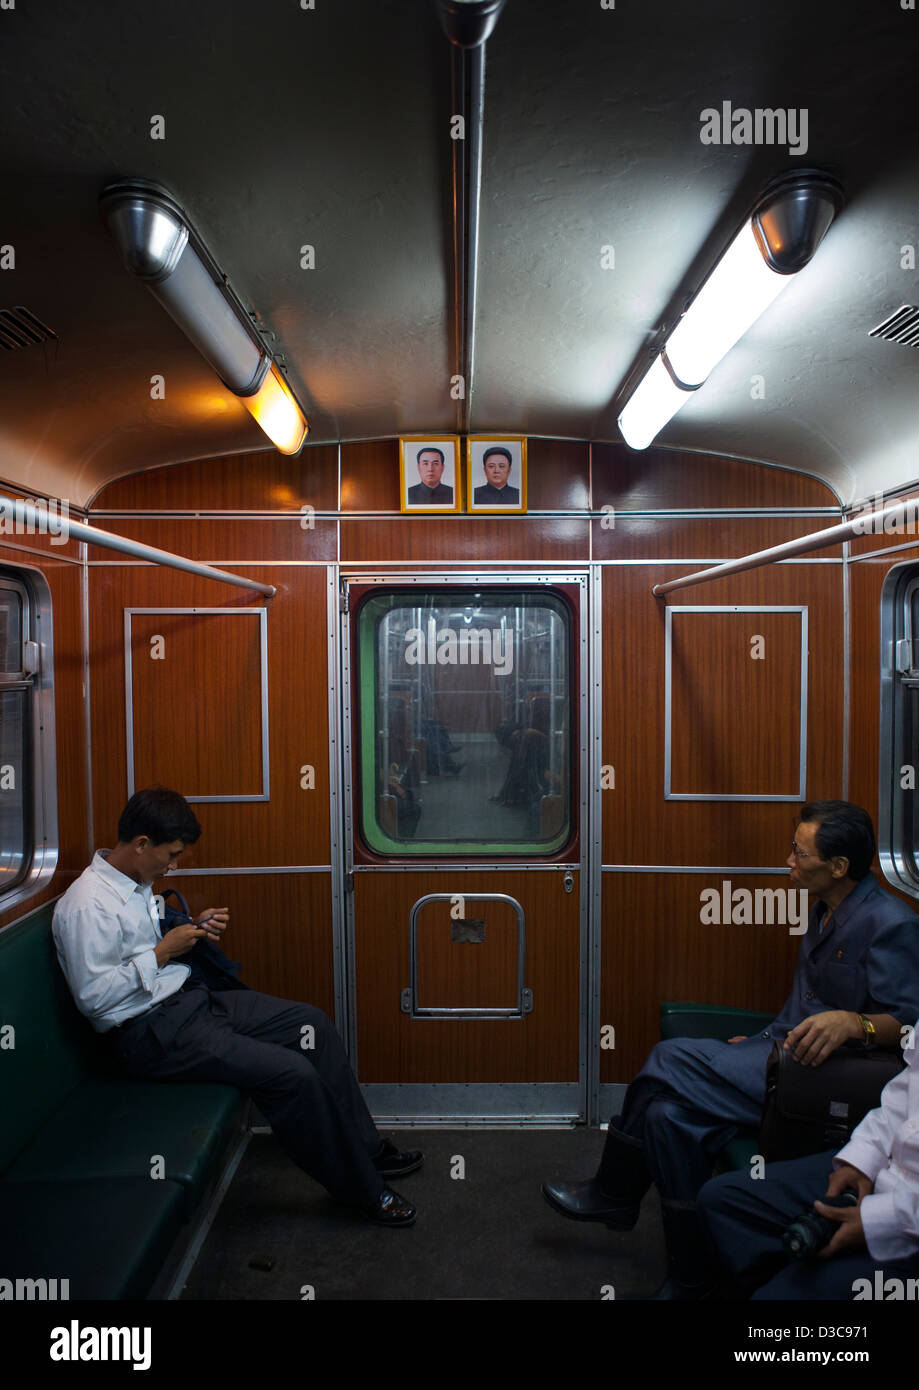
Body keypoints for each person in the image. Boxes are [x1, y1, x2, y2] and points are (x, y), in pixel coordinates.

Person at [542, 801, 919, 1296]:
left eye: (798, 853)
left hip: (832, 1081)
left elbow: (910, 1026)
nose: (789, 861)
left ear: (838, 866)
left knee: (667, 1060)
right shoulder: (827, 906)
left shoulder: (890, 922)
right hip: (787, 1055)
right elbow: (804, 1004)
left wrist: (856, 1024)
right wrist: (762, 1039)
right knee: (667, 1119)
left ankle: (614, 1192)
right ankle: (691, 1277)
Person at [52, 787, 422, 1226]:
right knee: (291, 1074)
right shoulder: (85, 906)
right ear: (141, 844)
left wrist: (190, 928)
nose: (173, 866)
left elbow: (141, 945)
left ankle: (366, 1149)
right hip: (149, 1035)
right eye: (170, 855)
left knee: (312, 1024)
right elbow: (93, 999)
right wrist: (163, 953)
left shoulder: (136, 881)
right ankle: (362, 1190)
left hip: (189, 1002)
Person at [697, 1020, 919, 1299]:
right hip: (888, 1169)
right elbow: (906, 1090)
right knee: (722, 1202)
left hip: (907, 1219)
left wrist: (881, 1221)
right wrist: (862, 1160)